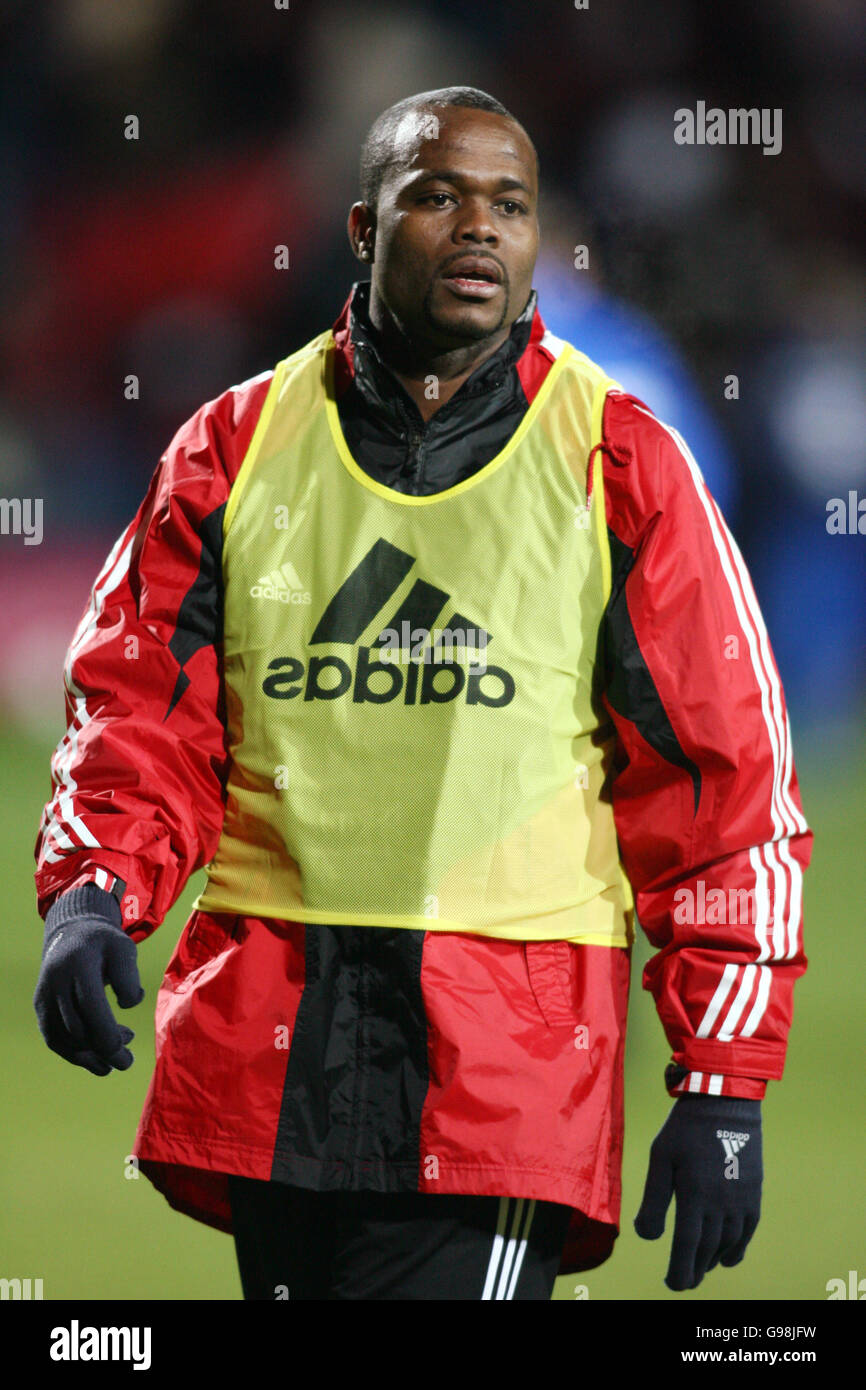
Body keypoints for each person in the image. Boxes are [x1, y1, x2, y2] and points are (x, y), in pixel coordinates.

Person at [33, 86, 812, 1301]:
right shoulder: (231, 451)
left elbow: (726, 791)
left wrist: (720, 1082)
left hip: (502, 1073)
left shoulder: (622, 466)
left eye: (509, 204)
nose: (480, 229)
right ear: (360, 228)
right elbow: (138, 710)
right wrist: (93, 891)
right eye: (437, 195)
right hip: (273, 1048)